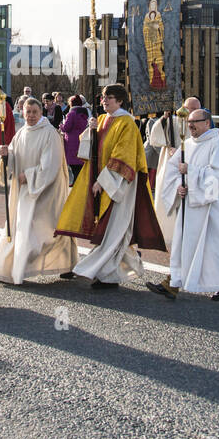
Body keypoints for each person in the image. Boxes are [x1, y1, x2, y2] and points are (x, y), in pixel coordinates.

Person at [55, 84, 165, 289]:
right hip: (104, 181)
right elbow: (89, 151)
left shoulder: (127, 123)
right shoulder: (103, 119)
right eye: (103, 97)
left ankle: (106, 274)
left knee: (115, 229)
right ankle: (111, 272)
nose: (104, 101)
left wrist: (103, 182)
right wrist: (91, 130)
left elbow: (124, 156)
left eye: (109, 97)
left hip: (120, 185)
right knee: (108, 230)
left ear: (120, 101)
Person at [146, 109, 219, 302]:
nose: (190, 125)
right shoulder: (187, 145)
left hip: (214, 208)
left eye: (195, 121)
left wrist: (190, 173)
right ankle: (173, 282)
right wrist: (179, 186)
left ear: (207, 123)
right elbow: (172, 171)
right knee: (184, 244)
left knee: (215, 248)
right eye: (189, 121)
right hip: (191, 205)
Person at [0, 97, 77, 284]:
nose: (30, 116)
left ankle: (66, 263)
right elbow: (14, 158)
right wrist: (5, 157)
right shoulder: (21, 133)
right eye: (27, 112)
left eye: (34, 112)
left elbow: (51, 165)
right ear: (22, 112)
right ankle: (16, 268)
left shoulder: (50, 134)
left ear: (41, 113)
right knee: (22, 229)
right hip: (25, 191)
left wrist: (29, 176)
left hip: (45, 190)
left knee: (47, 231)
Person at [146, 97, 202, 246]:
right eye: (190, 109)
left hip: (192, 168)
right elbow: (155, 138)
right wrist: (165, 119)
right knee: (172, 202)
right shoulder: (174, 121)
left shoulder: (202, 124)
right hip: (172, 167)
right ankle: (171, 235)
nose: (192, 113)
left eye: (196, 109)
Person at [60, 94, 88, 184]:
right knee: (79, 163)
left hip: (71, 140)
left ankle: (76, 182)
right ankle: (78, 181)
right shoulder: (84, 113)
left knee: (73, 164)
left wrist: (61, 126)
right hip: (81, 139)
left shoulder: (71, 113)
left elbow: (67, 127)